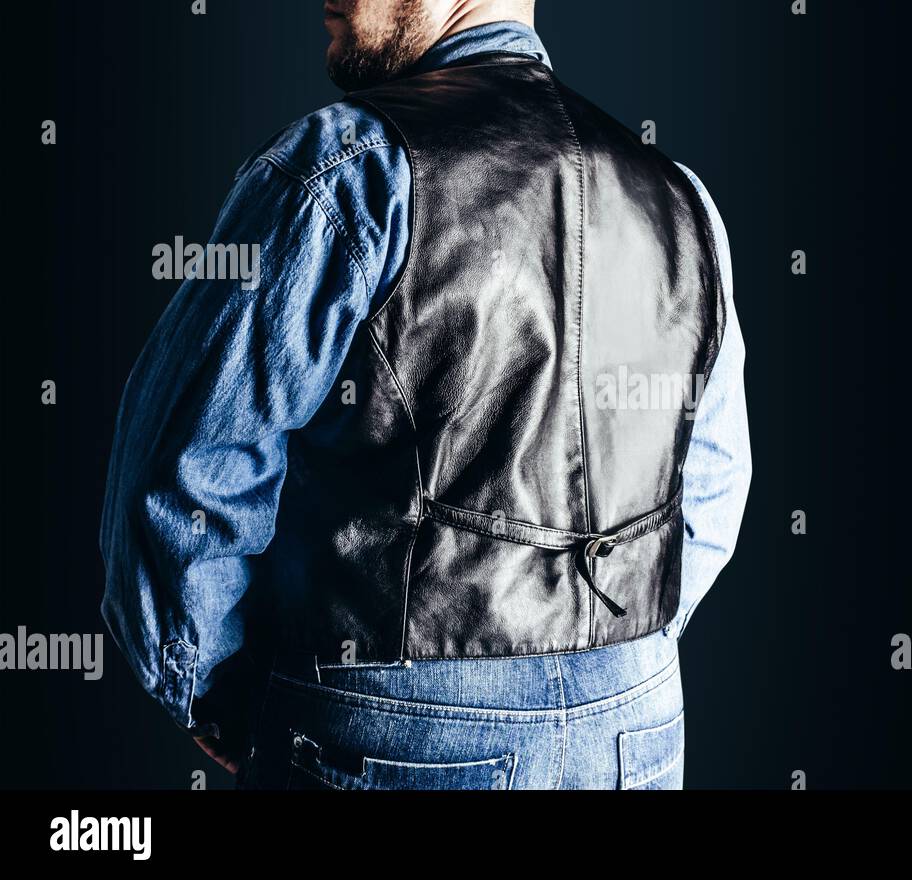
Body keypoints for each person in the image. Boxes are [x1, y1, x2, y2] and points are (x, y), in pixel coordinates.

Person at [100, 0, 750, 790]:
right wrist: (619, 658)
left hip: (395, 729)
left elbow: (186, 475)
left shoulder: (345, 167)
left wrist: (221, 694)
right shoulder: (679, 198)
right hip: (636, 729)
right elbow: (712, 484)